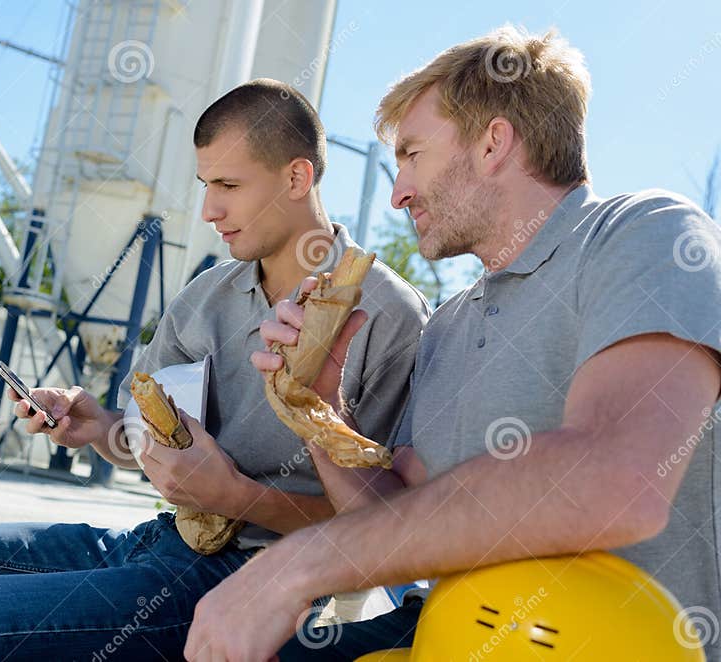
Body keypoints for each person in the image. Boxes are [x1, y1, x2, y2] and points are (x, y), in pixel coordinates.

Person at [184, 27, 721, 661]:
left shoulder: (644, 234)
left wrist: (299, 564)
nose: (397, 191)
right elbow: (399, 517)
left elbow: (615, 475)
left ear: (494, 141)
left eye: (412, 154)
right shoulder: (447, 324)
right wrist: (320, 413)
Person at [0, 79, 429, 660]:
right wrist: (95, 425)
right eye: (205, 185)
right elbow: (146, 444)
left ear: (297, 178)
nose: (209, 211)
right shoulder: (206, 296)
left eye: (229, 185)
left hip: (252, 579)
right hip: (161, 542)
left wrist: (238, 498)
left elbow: (386, 528)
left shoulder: (387, 315)